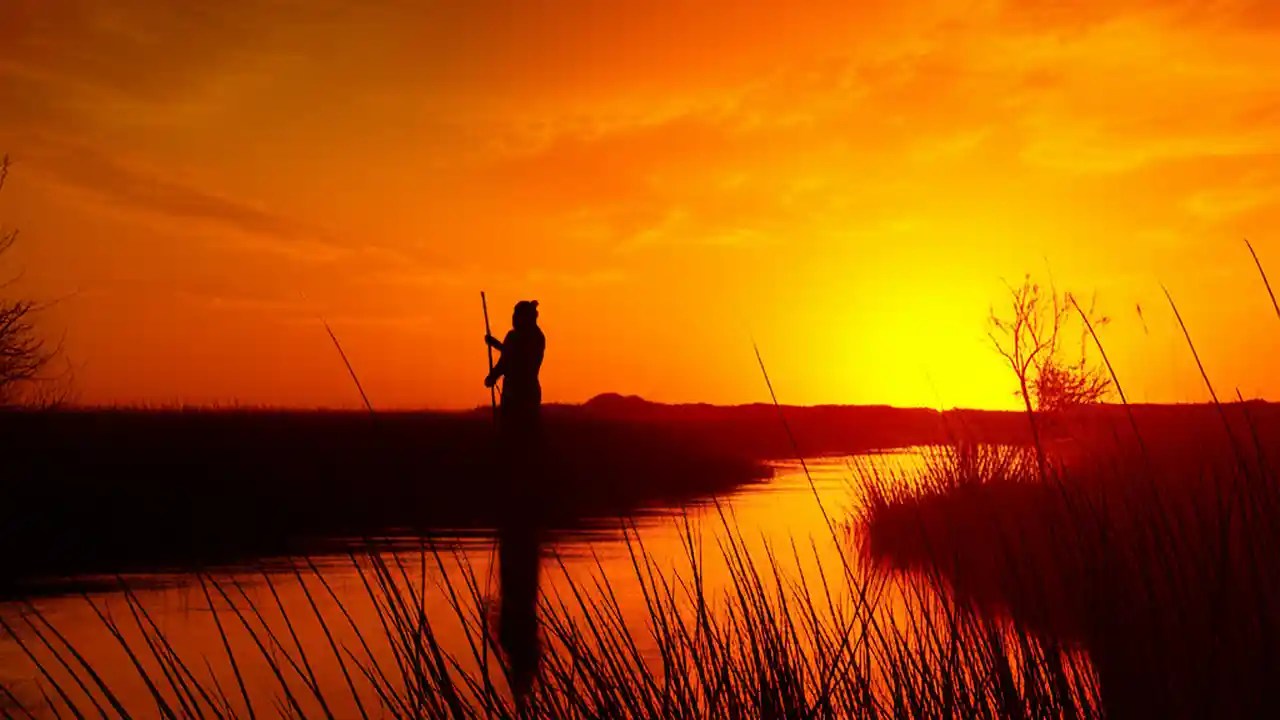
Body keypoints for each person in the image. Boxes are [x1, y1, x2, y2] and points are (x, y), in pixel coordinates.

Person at [484, 300, 546, 440]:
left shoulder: (536, 337)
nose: (514, 318)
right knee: (507, 434)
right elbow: (504, 362)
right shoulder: (512, 336)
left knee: (526, 435)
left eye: (518, 315)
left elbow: (519, 357)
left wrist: (497, 345)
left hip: (526, 393)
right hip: (510, 393)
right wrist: (493, 376)